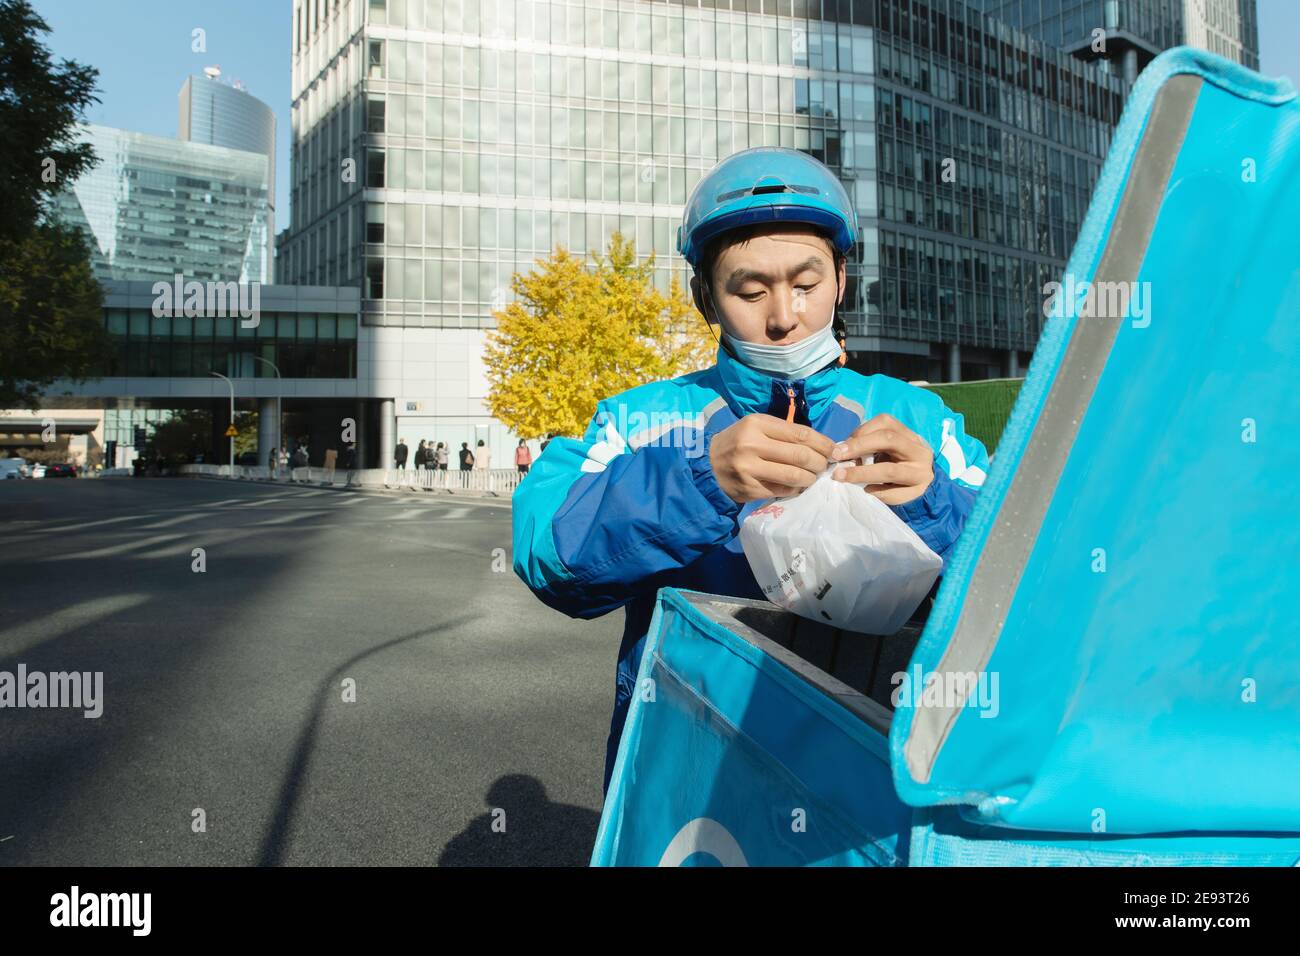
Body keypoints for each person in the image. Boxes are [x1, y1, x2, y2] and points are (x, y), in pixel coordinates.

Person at [512, 147, 990, 794]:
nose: (784, 316)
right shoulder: (639, 419)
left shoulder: (916, 418)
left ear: (842, 280)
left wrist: (934, 506)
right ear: (705, 297)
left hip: (864, 784)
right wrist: (696, 481)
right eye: (751, 289)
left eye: (807, 282)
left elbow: (1022, 582)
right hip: (685, 780)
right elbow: (550, 556)